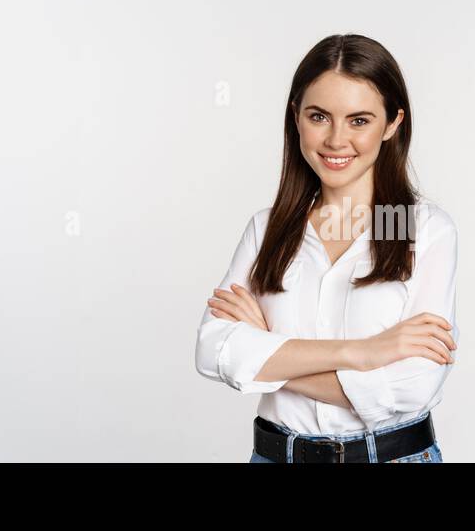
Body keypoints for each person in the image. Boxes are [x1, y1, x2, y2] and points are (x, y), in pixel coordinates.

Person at [194, 33, 459, 463]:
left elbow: (412, 387)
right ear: (296, 116)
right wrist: (362, 352)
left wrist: (267, 349)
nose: (336, 140)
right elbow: (212, 351)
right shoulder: (267, 230)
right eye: (319, 116)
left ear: (392, 124)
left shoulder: (425, 230)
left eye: (359, 120)